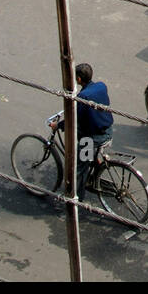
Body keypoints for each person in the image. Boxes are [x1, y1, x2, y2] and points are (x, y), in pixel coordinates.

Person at [51, 62, 114, 201]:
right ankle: (93, 163)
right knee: (83, 141)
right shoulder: (101, 86)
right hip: (108, 130)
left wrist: (58, 125)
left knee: (78, 168)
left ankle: (76, 198)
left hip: (95, 137)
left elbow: (73, 119)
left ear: (79, 79)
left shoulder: (83, 96)